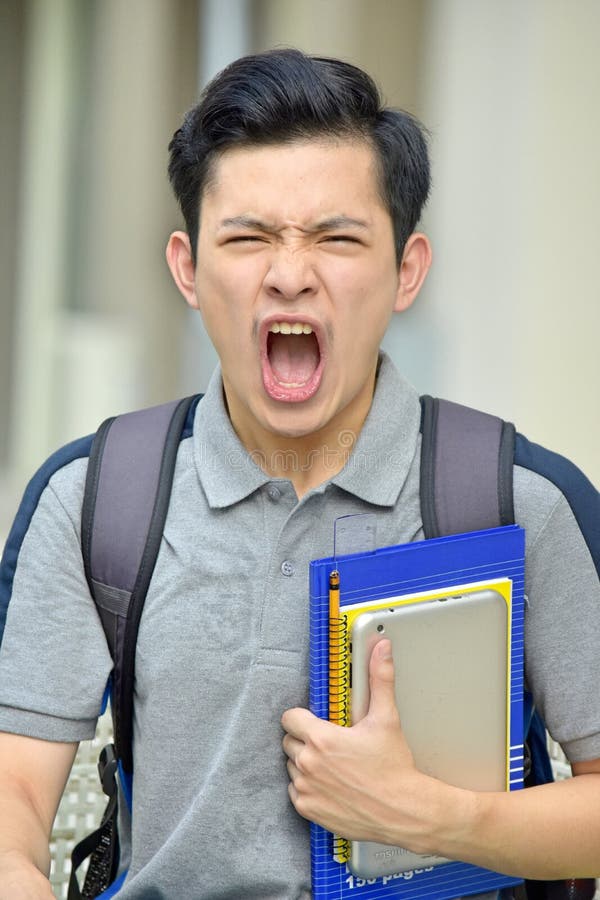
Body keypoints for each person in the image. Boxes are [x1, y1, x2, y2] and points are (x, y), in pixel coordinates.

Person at [0, 48, 598, 900]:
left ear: (407, 271)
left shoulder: (524, 502)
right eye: (246, 238)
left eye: (336, 237)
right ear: (187, 269)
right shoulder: (95, 500)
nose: (289, 274)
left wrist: (427, 815)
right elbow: (14, 794)